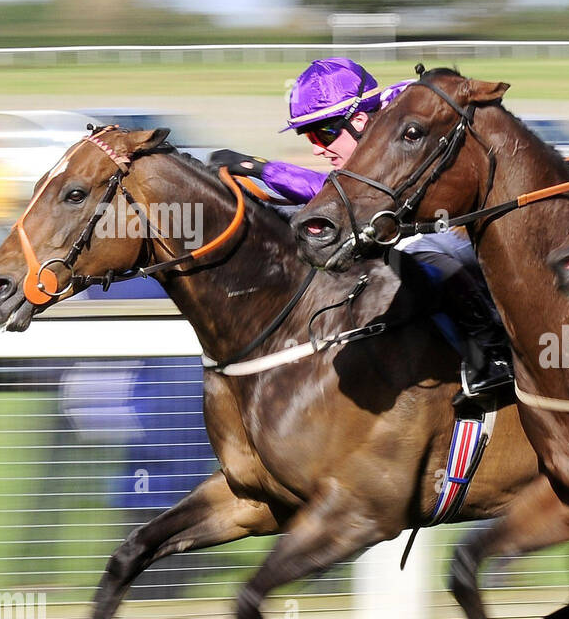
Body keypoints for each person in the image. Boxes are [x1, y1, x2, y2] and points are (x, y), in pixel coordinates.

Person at [209, 57, 513, 405]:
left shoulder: (401, 130)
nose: (315, 147)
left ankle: (493, 350)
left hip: (471, 236)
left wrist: (262, 168)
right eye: (308, 134)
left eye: (324, 132)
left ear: (358, 120)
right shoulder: (379, 126)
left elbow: (345, 197)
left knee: (421, 250)